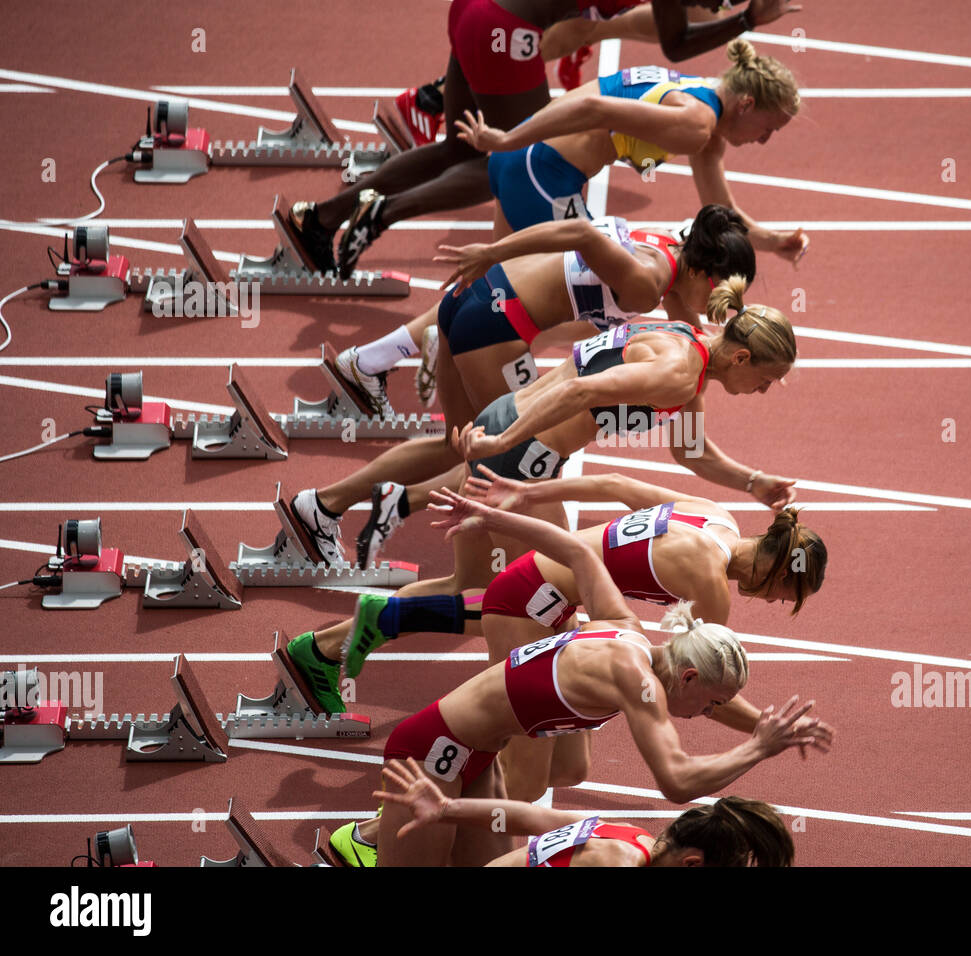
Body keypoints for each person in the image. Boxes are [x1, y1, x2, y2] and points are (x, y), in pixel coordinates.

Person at [349, 487, 829, 866]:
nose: (704, 714)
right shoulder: (634, 681)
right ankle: (362, 840)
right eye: (709, 704)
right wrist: (759, 745)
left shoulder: (627, 627)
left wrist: (498, 515)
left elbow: (579, 555)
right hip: (434, 750)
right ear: (685, 678)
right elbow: (677, 782)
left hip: (477, 758)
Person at [288, 278, 798, 575]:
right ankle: (343, 640)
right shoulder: (679, 373)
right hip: (522, 449)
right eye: (767, 380)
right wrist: (505, 440)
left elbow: (691, 453)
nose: (764, 392)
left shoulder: (685, 342)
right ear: (743, 356)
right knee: (522, 586)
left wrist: (753, 483)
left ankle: (360, 503)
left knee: (547, 580)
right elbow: (581, 391)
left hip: (518, 426)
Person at [289, 2, 804, 277]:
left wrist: (773, 242)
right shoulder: (694, 118)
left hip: (477, 10)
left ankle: (321, 218)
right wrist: (509, 135)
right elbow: (664, 47)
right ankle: (381, 212)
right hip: (507, 28)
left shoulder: (702, 111)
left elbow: (719, 203)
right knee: (502, 162)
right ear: (746, 104)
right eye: (770, 130)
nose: (709, 7)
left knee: (462, 151)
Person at [331, 203, 754, 420]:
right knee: (518, 448)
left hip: (476, 299)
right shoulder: (647, 286)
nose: (721, 308)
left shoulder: (665, 248)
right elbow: (579, 231)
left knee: (462, 444)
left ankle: (350, 497)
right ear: (701, 270)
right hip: (497, 326)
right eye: (722, 293)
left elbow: (690, 323)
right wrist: (491, 249)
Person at [374, 756, 795, 866]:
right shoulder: (616, 860)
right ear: (691, 863)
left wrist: (448, 807)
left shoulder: (630, 835)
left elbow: (532, 818)